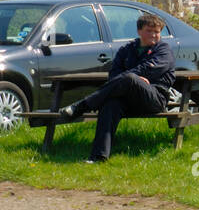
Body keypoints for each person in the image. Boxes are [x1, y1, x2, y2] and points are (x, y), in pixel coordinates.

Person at [59, 13, 177, 162]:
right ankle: (98, 157)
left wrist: (131, 79)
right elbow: (114, 75)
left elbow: (149, 70)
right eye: (149, 31)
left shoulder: (164, 50)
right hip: (126, 100)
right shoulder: (126, 49)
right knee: (110, 104)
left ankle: (82, 106)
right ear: (139, 31)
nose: (154, 35)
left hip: (154, 99)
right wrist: (132, 79)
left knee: (128, 79)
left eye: (157, 32)